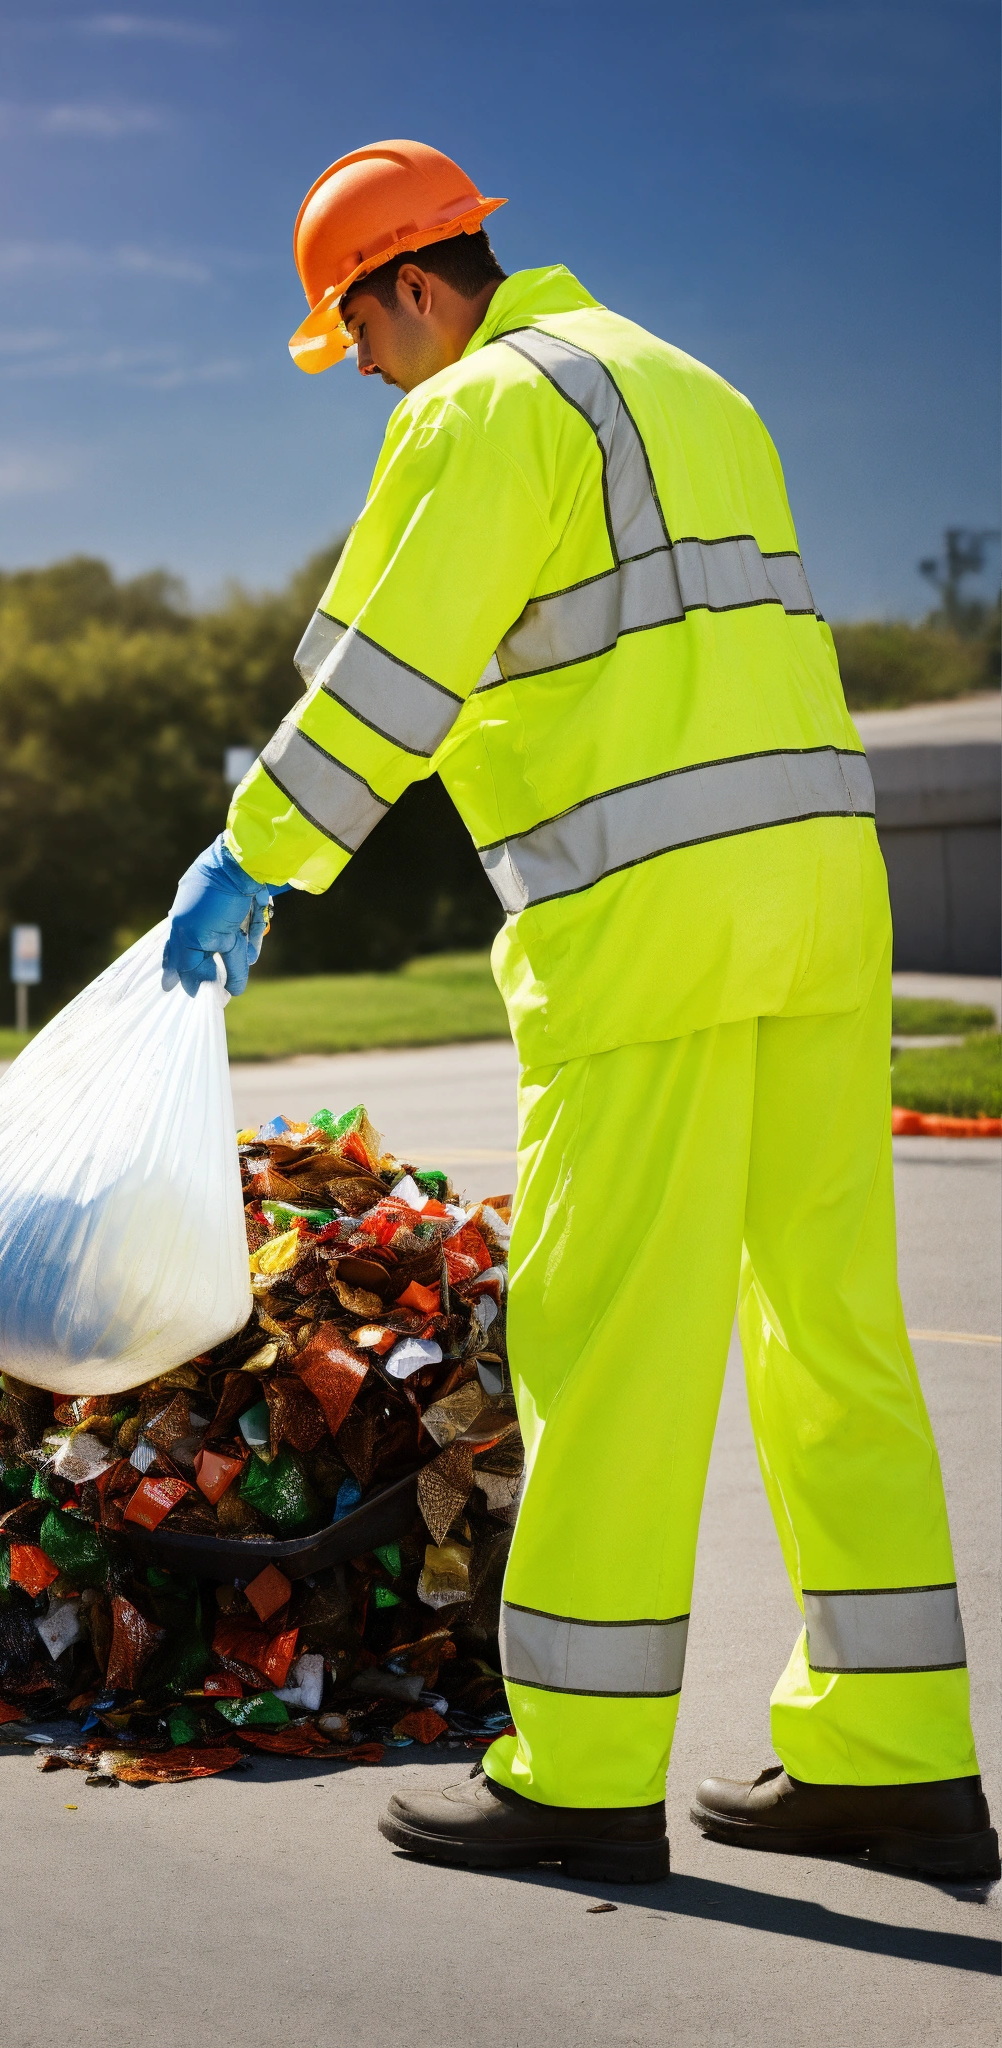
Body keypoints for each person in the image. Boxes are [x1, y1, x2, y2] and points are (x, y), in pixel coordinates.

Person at [164, 139, 993, 1885]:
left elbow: (390, 679)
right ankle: (898, 1754)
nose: (369, 376)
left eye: (361, 338)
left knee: (608, 1340)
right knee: (828, 1328)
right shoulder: (697, 388)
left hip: (651, 932)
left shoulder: (483, 409)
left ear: (408, 287)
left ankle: (584, 1777)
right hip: (826, 912)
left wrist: (250, 861)